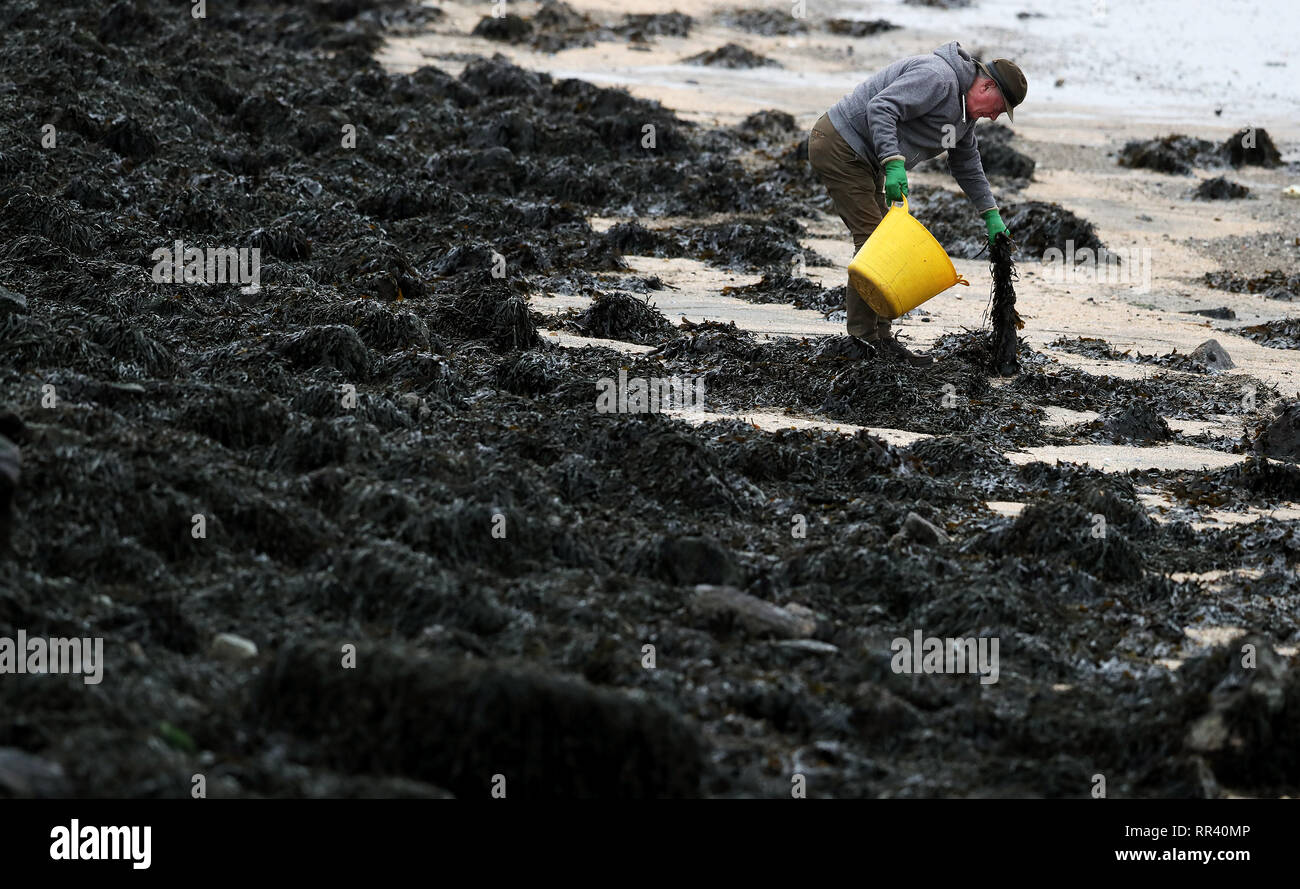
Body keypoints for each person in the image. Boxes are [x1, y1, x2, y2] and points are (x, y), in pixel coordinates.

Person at [808, 41, 1027, 365]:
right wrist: (894, 162)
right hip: (839, 144)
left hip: (866, 159)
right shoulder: (937, 79)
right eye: (999, 107)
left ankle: (881, 339)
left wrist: (990, 214)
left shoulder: (964, 118)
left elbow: (965, 163)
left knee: (888, 244)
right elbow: (881, 108)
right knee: (873, 243)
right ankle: (861, 343)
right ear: (986, 84)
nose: (995, 117)